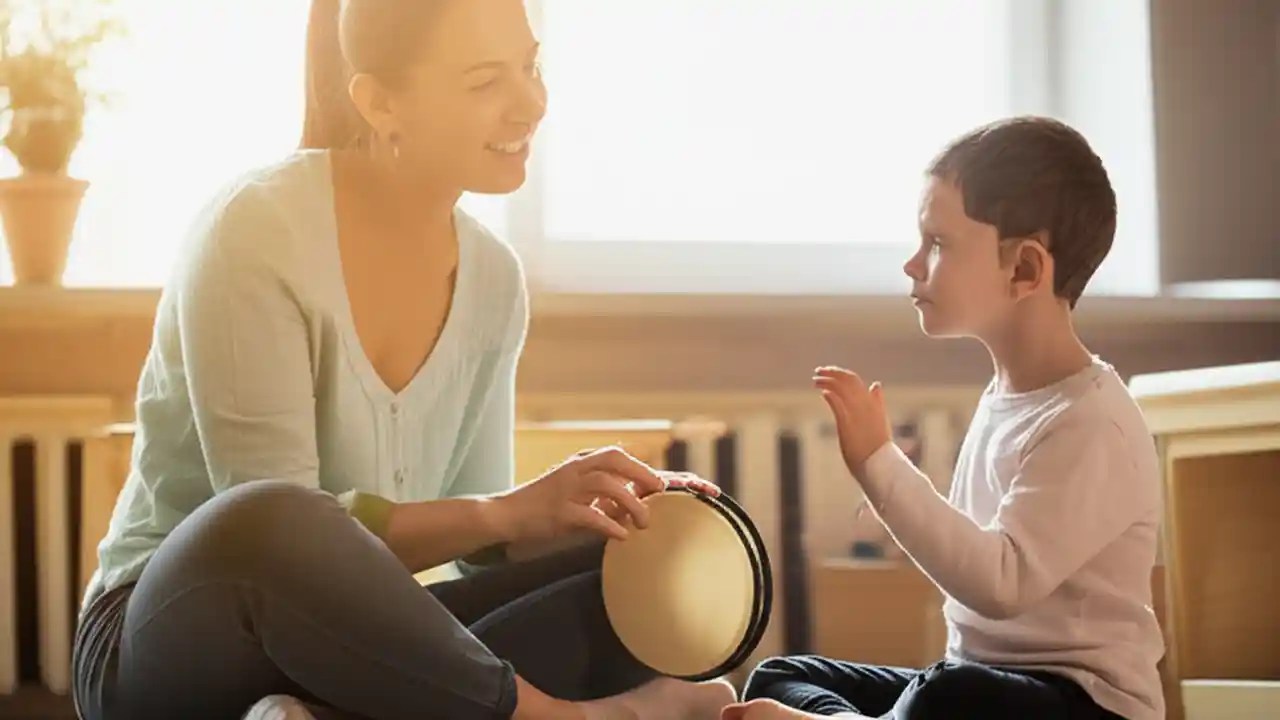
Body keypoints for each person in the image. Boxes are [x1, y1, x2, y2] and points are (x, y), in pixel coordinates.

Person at [70, 1, 737, 718]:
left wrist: (574, 517)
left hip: (356, 651)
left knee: (627, 571)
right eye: (486, 81)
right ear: (381, 102)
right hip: (178, 640)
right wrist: (504, 514)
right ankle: (561, 717)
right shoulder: (258, 231)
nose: (532, 103)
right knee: (272, 520)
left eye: (530, 66)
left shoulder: (493, 280)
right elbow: (296, 560)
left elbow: (483, 541)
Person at [723, 117, 1164, 720]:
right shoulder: (1004, 397)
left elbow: (1001, 584)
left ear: (1026, 270)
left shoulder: (1093, 423)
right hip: (976, 681)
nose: (912, 263)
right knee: (780, 676)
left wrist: (880, 468)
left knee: (946, 695)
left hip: (1081, 704)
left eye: (938, 243)